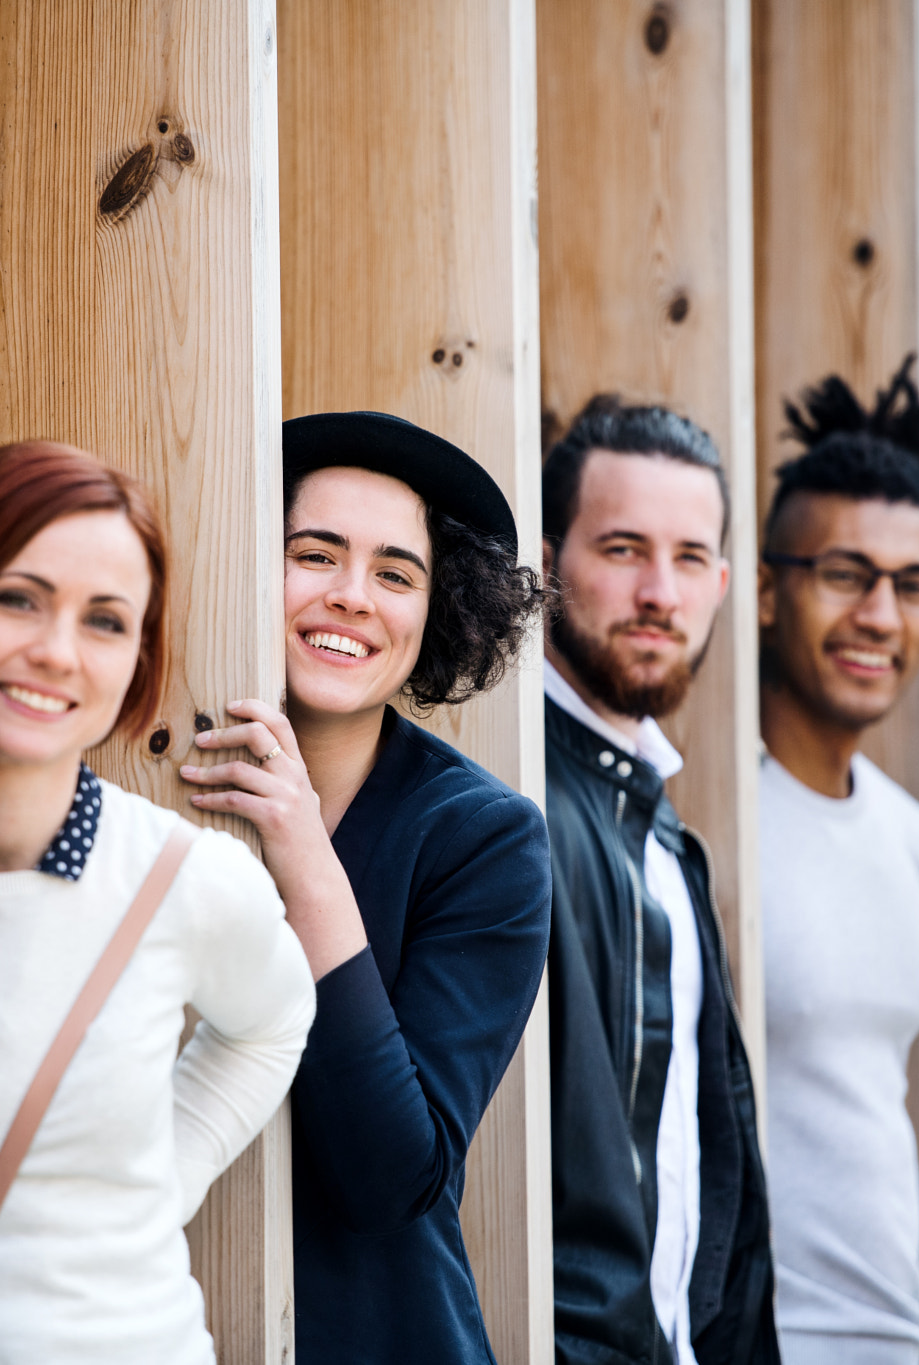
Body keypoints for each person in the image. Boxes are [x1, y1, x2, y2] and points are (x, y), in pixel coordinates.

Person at [178, 411, 552, 1363]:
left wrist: (303, 849)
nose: (353, 597)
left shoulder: (487, 842)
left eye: (396, 573)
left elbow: (387, 1177)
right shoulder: (156, 773)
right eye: (315, 554)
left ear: (437, 611)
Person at [0, 440, 316, 1365]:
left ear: (138, 657)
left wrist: (164, 1176)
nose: (54, 651)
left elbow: (277, 1018)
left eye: (105, 620)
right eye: (17, 597)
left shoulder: (180, 877)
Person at [541, 396, 777, 1365]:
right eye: (621, 549)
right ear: (549, 558)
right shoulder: (526, 814)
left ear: (723, 582)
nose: (658, 593)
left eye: (687, 560)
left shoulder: (663, 836)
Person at [756, 356, 919, 1365]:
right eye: (844, 575)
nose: (880, 615)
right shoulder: (703, 820)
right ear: (764, 589)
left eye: (913, 585)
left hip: (893, 1340)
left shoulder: (909, 836)